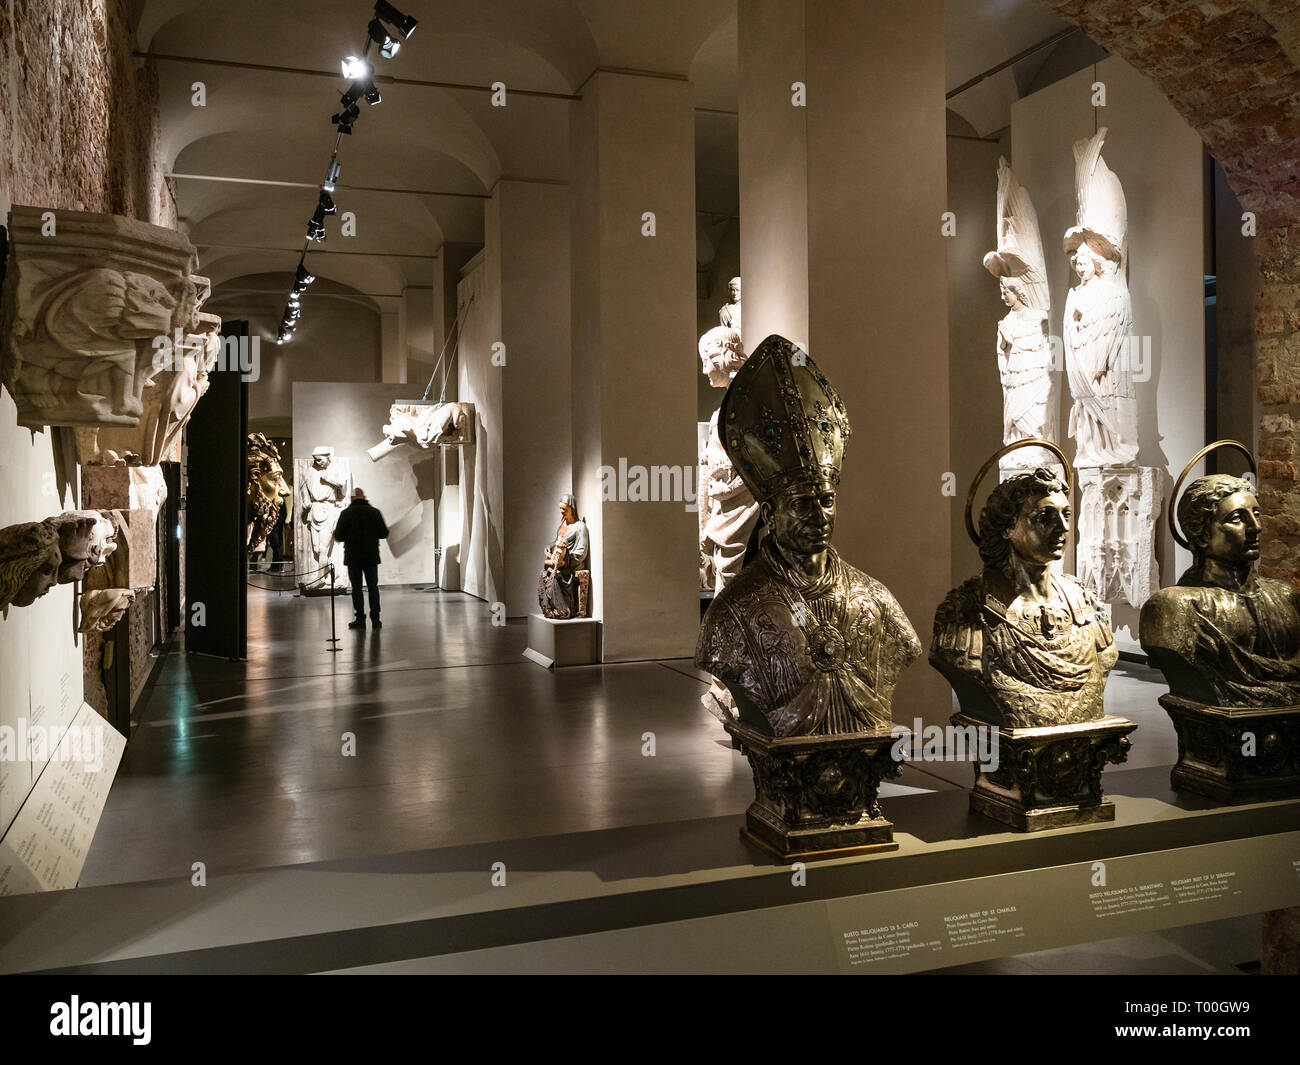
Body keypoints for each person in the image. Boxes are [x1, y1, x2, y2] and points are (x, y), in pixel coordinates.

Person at [332, 487, 389, 630]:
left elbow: (338, 536)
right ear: (364, 497)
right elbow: (384, 533)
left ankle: (360, 619)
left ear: (352, 498)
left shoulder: (346, 514)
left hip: (353, 557)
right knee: (373, 588)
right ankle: (375, 619)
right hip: (371, 556)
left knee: (357, 589)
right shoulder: (374, 512)